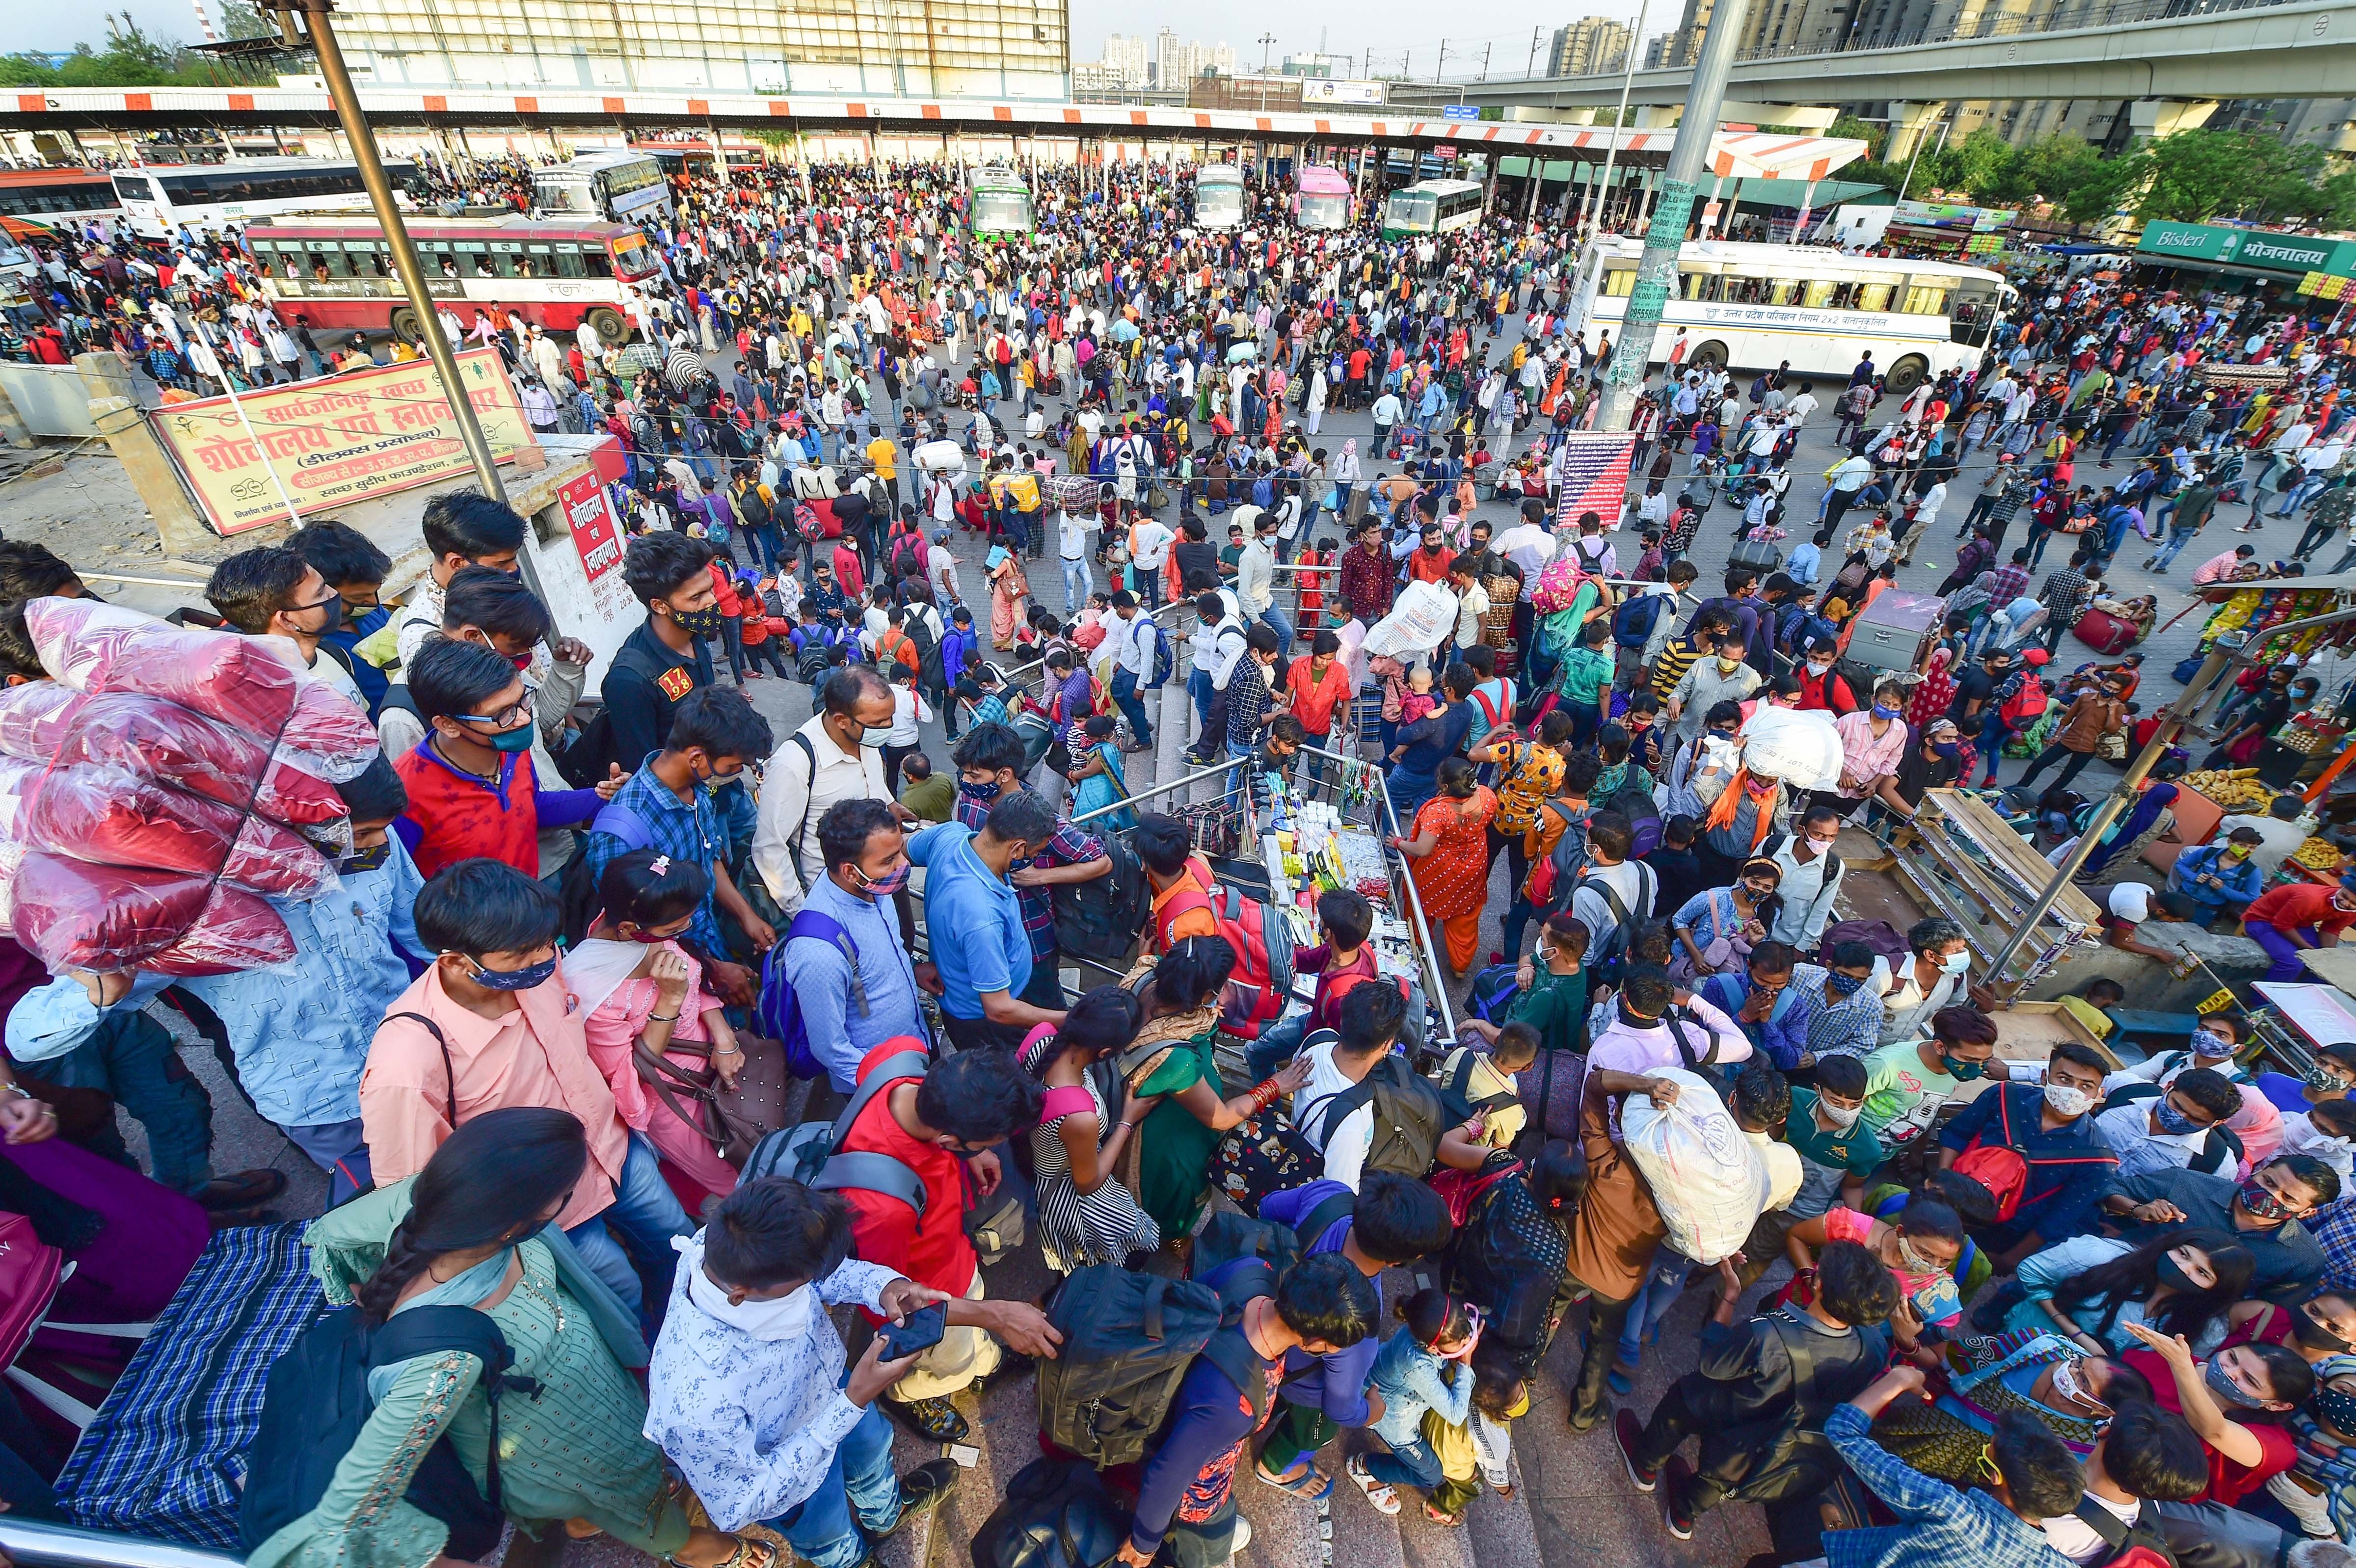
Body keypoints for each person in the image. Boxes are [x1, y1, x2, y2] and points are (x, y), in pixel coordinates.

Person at [250, 1108, 761, 1568]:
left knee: (624, 1473)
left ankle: (588, 1517)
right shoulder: (441, 1361)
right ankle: (690, 1547)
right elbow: (344, 1518)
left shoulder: (439, 1199)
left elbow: (331, 1231)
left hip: (592, 1388)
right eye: (567, 1193)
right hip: (558, 1445)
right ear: (522, 1218)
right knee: (626, 1496)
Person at [9, 758, 425, 1207]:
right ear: (290, 829)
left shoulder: (371, 848)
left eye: (381, 830)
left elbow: (422, 928)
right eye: (363, 833)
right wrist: (98, 993)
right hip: (323, 1100)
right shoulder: (189, 913)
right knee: (395, 1204)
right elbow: (26, 1037)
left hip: (416, 1062)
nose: (378, 843)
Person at [359, 858, 692, 1314]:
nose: (543, 961)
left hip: (613, 1148)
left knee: (678, 1244)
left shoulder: (539, 965)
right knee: (619, 1296)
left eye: (546, 946)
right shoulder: (409, 1060)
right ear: (455, 961)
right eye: (521, 955)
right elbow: (412, 1187)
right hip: (548, 1210)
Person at [643, 1177, 961, 1568]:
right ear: (740, 1294)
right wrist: (851, 1402)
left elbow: (819, 1272)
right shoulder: (693, 1405)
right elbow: (740, 1502)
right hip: (798, 1482)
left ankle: (885, 1512)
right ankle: (852, 1561)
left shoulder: (735, 1246)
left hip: (835, 1387)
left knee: (873, 1451)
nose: (812, 1285)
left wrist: (883, 1286)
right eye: (803, 1283)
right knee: (827, 1532)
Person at [825, 1042, 1064, 1442]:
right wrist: (997, 1316)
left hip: (953, 1255)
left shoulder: (902, 1056)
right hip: (932, 1296)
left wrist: (970, 1153)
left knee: (971, 1338)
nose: (990, 1150)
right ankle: (906, 1394)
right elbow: (894, 1304)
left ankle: (984, 1360)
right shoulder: (882, 1208)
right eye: (988, 1141)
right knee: (948, 1361)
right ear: (949, 1139)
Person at [1615, 1240, 1902, 1541]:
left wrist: (1730, 1296)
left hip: (1730, 1412)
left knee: (1683, 1401)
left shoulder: (1769, 1334)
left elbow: (1713, 1363)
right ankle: (1683, 1516)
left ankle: (1645, 1466)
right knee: (1720, 1476)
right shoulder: (1874, 1345)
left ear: (1818, 1284)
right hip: (1766, 1443)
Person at [1118, 1253, 1379, 1568]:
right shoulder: (1235, 1405)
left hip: (1175, 1393)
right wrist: (1144, 1544)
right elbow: (1168, 1475)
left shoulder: (1251, 1271)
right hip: (1195, 1491)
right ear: (1315, 1342)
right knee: (1205, 1548)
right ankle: (1197, 1549)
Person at [583, 688, 776, 999]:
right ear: (697, 757)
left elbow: (708, 858)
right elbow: (633, 932)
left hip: (708, 940)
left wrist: (746, 916)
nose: (736, 775)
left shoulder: (697, 789)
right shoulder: (621, 835)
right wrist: (711, 970)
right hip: (669, 976)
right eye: (732, 767)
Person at [1822, 1370, 2088, 1568]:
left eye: (1986, 1455)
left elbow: (1844, 1431)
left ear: (1994, 1476)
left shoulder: (1950, 1509)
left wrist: (1897, 1380)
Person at [392, 638, 606, 880]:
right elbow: (400, 883)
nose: (524, 719)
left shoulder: (510, 744)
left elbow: (529, 805)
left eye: (524, 700)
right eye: (502, 714)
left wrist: (607, 797)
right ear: (448, 725)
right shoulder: (406, 796)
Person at [950, 722, 1113, 1012]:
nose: (965, 781)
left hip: (1031, 936)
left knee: (1046, 1005)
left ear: (1004, 775)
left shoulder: (1040, 819)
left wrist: (1039, 877)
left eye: (974, 775)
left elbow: (1101, 861)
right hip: (984, 930)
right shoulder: (972, 798)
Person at [777, 800, 931, 1092]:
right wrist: (889, 1091)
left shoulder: (873, 885)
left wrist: (910, 970)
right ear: (850, 872)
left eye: (900, 851)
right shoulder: (818, 954)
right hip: (881, 1083)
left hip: (914, 1046)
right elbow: (830, 1049)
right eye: (889, 860)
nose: (903, 865)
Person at [905, 790, 1070, 1051]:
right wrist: (1068, 1020)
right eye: (1036, 852)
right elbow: (999, 1009)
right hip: (985, 1024)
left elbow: (904, 847)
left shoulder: (950, 835)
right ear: (1017, 848)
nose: (1035, 859)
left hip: (983, 992)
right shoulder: (982, 917)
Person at [1932, 1039, 2118, 1267]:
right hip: (1944, 1200)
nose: (2073, 1091)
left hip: (2000, 1233)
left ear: (2099, 1094)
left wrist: (2010, 1259)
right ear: (2045, 1077)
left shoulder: (2099, 1160)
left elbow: (2061, 1216)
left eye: (2086, 1086)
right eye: (2065, 1079)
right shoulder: (2005, 1095)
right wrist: (1940, 1185)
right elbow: (1957, 1134)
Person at [1020, 986, 1161, 1271]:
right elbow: (1087, 1184)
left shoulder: (1041, 1038)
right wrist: (1126, 1122)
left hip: (1042, 1161)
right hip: (1071, 1198)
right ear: (1106, 1052)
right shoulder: (1080, 1117)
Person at [753, 665, 903, 915]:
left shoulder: (864, 736)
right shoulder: (794, 764)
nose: (888, 727)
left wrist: (889, 803)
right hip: (832, 904)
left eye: (890, 718)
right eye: (879, 722)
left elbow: (871, 782)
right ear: (842, 721)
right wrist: (802, 911)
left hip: (879, 887)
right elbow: (769, 847)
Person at [2101, 1156, 2339, 1302]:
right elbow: (2108, 1189)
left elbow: (2266, 1312)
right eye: (2268, 1181)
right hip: (2118, 1271)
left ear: (2306, 1213)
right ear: (2260, 1170)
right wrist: (2137, 1209)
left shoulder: (2303, 1260)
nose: (2269, 1195)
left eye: (2287, 1198)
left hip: (2184, 1317)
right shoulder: (2187, 1183)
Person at [2000, 1229, 2254, 1357]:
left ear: (2217, 1289)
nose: (2183, 1268)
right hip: (2025, 1342)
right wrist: (2073, 1330)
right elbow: (2031, 1272)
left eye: (2202, 1273)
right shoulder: (2102, 1255)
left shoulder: (2206, 1330)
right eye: (2183, 1254)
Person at [1345, 1287, 1480, 1523]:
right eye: (1460, 1342)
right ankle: (1366, 1467)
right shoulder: (1417, 1363)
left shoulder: (1424, 1323)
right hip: (1391, 1418)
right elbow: (1456, 1414)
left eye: (1466, 1330)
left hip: (1388, 1384)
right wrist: (1465, 1363)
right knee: (1432, 1474)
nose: (1467, 1340)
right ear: (1432, 1348)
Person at [607, 532, 723, 773]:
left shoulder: (695, 633)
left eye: (710, 590)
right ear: (660, 606)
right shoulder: (630, 681)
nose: (711, 601)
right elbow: (644, 772)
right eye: (696, 597)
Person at [203, 545, 368, 713]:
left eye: (325, 585)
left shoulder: (332, 652)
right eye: (320, 593)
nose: (333, 593)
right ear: (286, 620)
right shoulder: (262, 699)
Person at [1392, 758, 1499, 978]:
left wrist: (1398, 843)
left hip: (1439, 870)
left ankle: (1419, 950)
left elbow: (1422, 849)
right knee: (1465, 915)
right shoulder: (1487, 796)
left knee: (1421, 909)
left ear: (1445, 786)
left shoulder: (1439, 812)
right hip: (1473, 863)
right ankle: (1460, 965)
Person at [1858, 1005, 2002, 1150]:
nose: (1978, 1067)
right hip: (1855, 1150)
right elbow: (1847, 1107)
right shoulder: (1886, 1064)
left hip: (1888, 1152)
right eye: (1970, 1059)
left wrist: (1917, 1153)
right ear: (1940, 1047)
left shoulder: (1954, 1070)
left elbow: (1929, 1111)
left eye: (1985, 1060)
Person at [2242, 876, 2356, 983]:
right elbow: (2282, 924)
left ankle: (2305, 992)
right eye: (2345, 896)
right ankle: (2264, 997)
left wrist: (2329, 955)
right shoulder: (2310, 898)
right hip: (2263, 920)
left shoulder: (2351, 912)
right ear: (2342, 888)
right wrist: (2309, 950)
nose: (2346, 904)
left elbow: (2331, 929)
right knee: (2293, 964)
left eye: (2353, 903)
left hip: (2299, 924)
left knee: (2327, 965)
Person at [1765, 806, 1847, 951]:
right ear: (1802, 830)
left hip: (1786, 941)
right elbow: (1744, 880)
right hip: (1750, 926)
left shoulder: (1833, 867)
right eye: (1818, 834)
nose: (1825, 841)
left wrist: (1802, 947)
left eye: (1832, 836)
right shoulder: (1772, 846)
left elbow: (1821, 909)